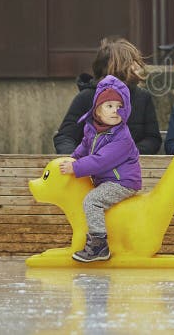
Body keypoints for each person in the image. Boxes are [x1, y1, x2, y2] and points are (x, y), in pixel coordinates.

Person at [59, 75, 142, 262]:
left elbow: (101, 161)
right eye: (109, 106)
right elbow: (84, 147)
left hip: (122, 182)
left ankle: (99, 245)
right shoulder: (92, 128)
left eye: (119, 107)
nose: (115, 111)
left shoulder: (122, 137)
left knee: (92, 201)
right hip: (106, 179)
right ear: (97, 110)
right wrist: (73, 158)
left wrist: (76, 167)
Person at [54, 37, 162, 155]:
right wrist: (77, 161)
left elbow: (152, 139)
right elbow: (65, 137)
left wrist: (125, 154)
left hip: (129, 168)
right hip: (89, 168)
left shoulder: (142, 97)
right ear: (116, 67)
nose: (136, 67)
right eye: (131, 62)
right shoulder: (86, 97)